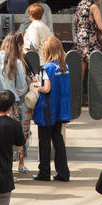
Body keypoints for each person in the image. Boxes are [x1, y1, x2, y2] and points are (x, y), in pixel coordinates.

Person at [0, 33, 31, 173]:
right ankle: (17, 165)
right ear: (18, 45)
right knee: (15, 135)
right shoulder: (17, 62)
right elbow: (22, 87)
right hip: (13, 104)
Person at [32, 37, 71, 182]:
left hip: (47, 109)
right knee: (58, 140)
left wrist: (36, 86)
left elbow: (46, 88)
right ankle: (63, 172)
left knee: (44, 141)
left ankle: (44, 172)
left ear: (47, 51)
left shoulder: (46, 68)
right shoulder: (65, 67)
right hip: (60, 109)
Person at [72, 0, 102, 70]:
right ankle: (95, 83)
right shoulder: (94, 7)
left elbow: (74, 22)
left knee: (82, 62)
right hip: (90, 37)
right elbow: (100, 27)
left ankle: (80, 83)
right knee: (96, 59)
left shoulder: (81, 4)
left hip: (80, 36)